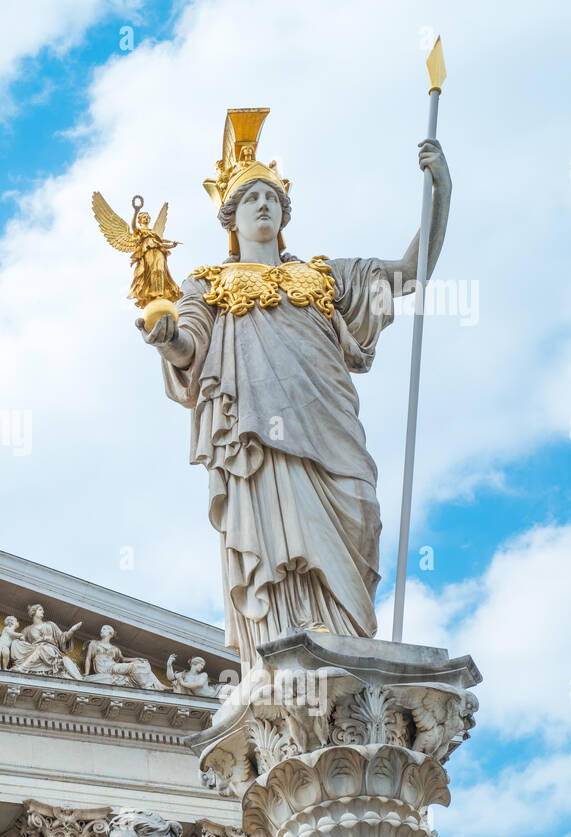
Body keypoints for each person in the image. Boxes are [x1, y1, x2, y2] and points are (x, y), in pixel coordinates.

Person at [138, 109, 451, 676]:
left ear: (284, 214)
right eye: (251, 198)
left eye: (273, 198)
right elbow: (190, 349)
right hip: (262, 439)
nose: (264, 205)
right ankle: (293, 635)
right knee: (281, 538)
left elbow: (410, 272)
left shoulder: (325, 277)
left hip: (331, 426)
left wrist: (441, 192)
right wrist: (167, 338)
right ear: (231, 218)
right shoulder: (209, 285)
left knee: (362, 511)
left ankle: (347, 638)